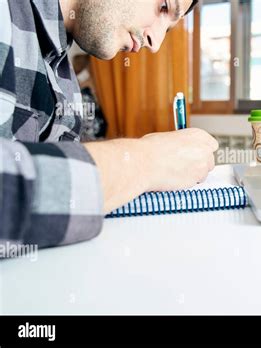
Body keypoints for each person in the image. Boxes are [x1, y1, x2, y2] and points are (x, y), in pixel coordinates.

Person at [0, 0, 217, 252]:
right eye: (164, 6)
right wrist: (147, 160)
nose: (155, 44)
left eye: (167, 30)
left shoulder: (65, 83)